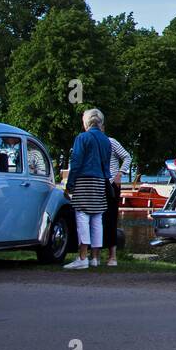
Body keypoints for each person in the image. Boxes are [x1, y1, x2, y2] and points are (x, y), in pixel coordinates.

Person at [64, 108, 112, 270]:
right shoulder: (106, 140)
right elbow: (106, 164)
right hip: (100, 181)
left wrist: (70, 184)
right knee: (97, 219)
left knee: (82, 217)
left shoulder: (82, 138)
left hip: (84, 181)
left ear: (86, 122)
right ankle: (95, 258)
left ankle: (82, 257)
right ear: (100, 123)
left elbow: (76, 162)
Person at [102, 134, 132, 267]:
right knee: (96, 219)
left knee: (111, 218)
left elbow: (127, 156)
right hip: (97, 183)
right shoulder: (91, 141)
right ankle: (94, 254)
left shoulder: (111, 142)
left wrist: (119, 174)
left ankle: (112, 256)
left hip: (111, 183)